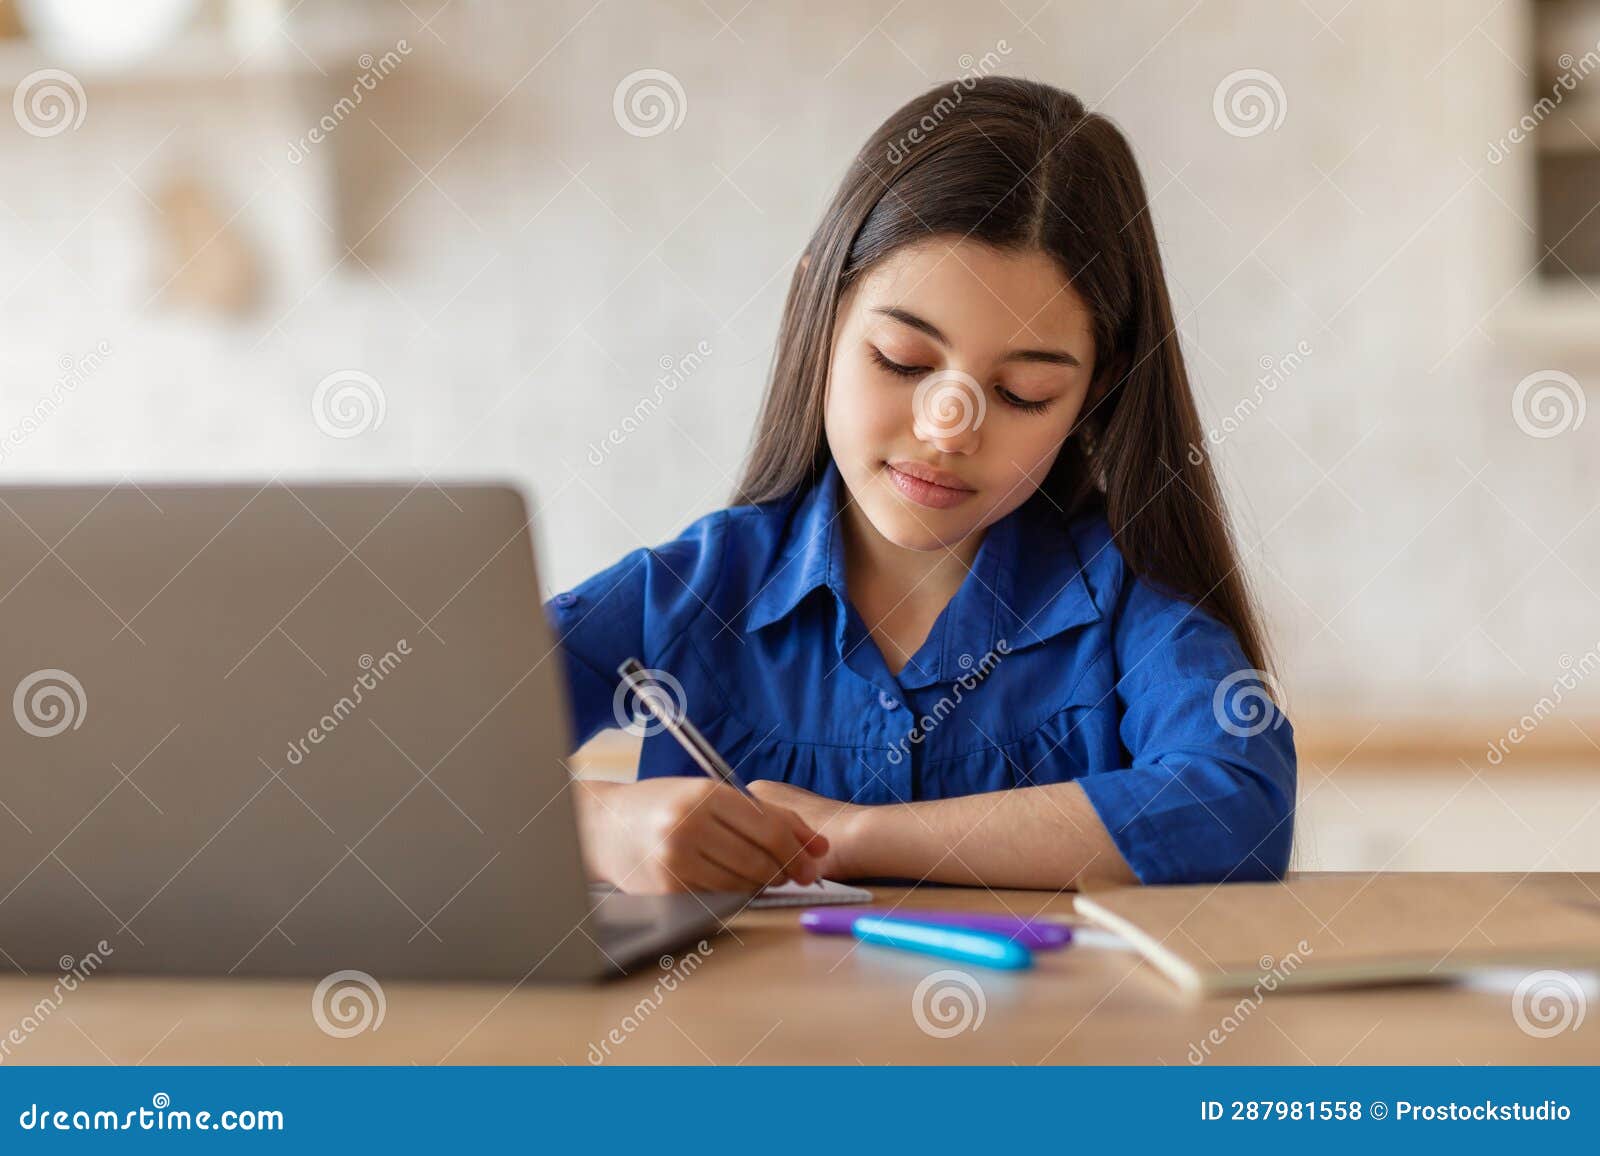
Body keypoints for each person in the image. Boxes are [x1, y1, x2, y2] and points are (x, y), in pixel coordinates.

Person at [546, 76, 1295, 894]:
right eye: (902, 361)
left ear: (1095, 390)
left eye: (1022, 393)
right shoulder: (689, 593)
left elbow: (1236, 806)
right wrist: (597, 824)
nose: (948, 430)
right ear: (818, 312)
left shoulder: (1126, 605)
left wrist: (852, 836)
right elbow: (435, 756)